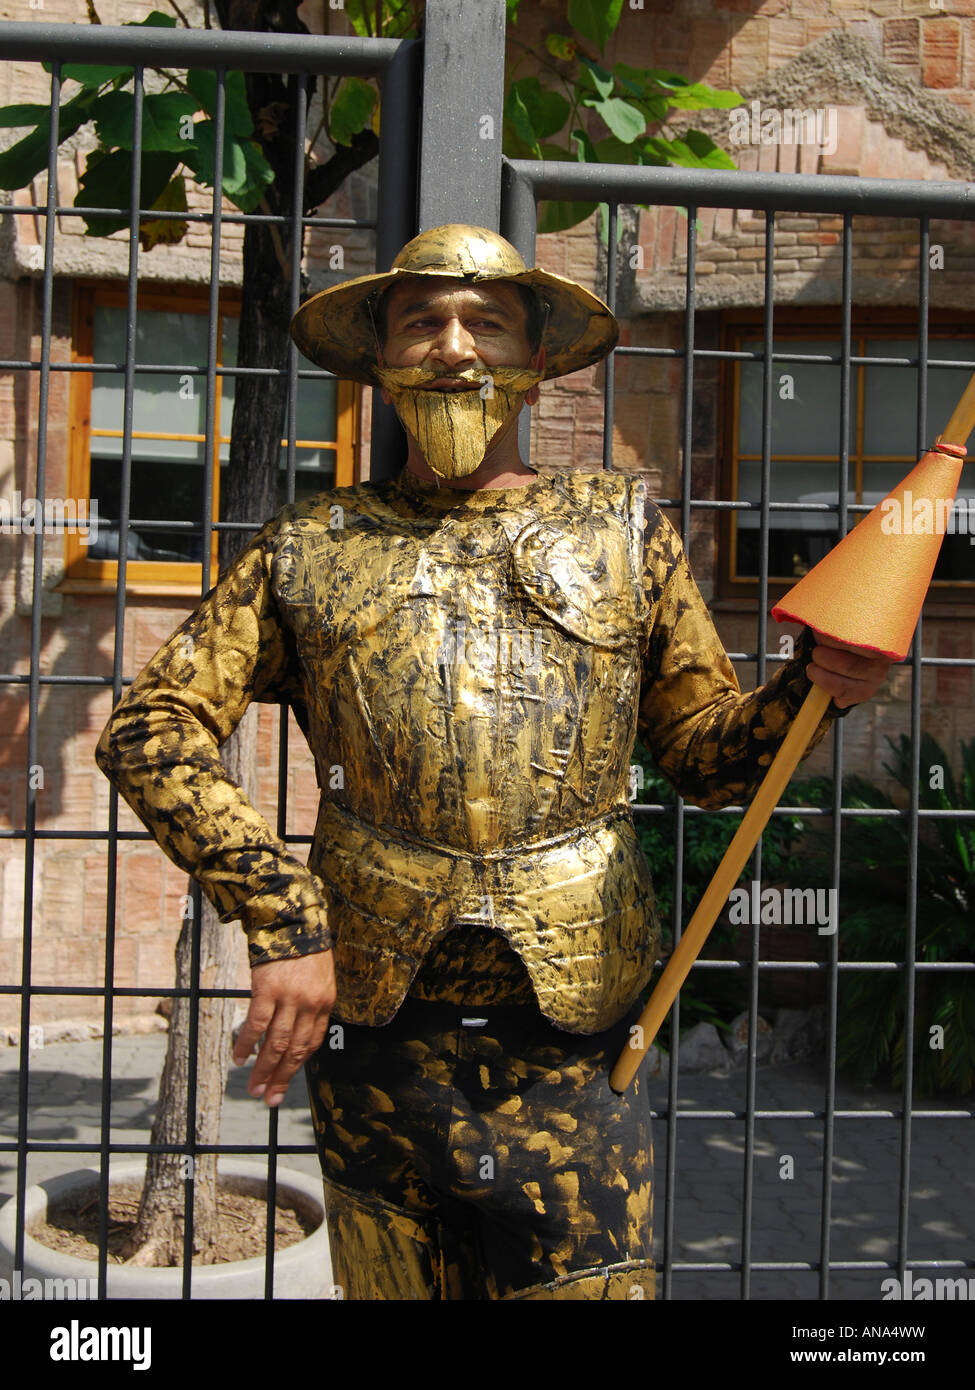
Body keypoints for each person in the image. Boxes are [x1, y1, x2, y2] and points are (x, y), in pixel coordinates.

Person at [95, 224, 891, 1300]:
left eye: (485, 321)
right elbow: (152, 726)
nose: (455, 348)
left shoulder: (621, 528)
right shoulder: (312, 542)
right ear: (381, 360)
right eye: (423, 322)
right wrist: (284, 915)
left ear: (536, 356)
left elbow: (705, 759)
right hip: (376, 1026)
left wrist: (809, 689)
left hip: (576, 1037)